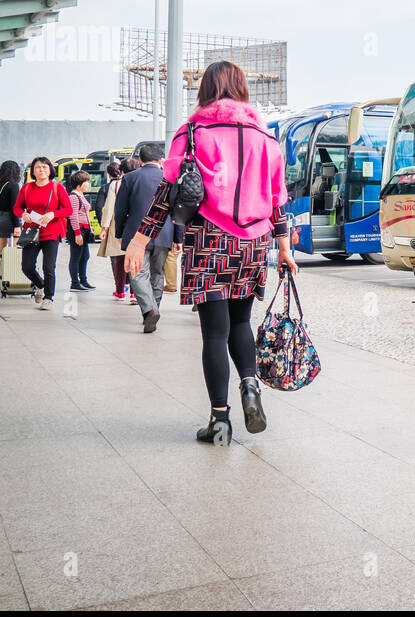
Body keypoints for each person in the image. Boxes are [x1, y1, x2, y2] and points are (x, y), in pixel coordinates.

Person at [125, 60, 294, 445]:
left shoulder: (193, 132)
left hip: (209, 240)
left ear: (205, 89)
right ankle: (250, 386)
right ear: (241, 89)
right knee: (241, 323)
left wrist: (139, 239)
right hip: (253, 243)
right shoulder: (266, 139)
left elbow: (168, 191)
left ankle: (220, 420)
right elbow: (277, 201)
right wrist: (284, 248)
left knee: (214, 334)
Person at [115, 143, 180, 332]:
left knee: (136, 273)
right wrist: (178, 238)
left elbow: (120, 211)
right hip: (164, 233)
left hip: (136, 235)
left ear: (140, 161)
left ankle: (149, 309)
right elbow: (178, 210)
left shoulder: (130, 178)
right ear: (161, 160)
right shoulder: (170, 178)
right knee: (157, 274)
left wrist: (119, 233)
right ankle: (154, 309)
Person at [13, 156, 72, 311]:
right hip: (31, 232)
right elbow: (17, 208)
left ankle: (48, 298)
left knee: (48, 267)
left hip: (51, 231)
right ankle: (40, 285)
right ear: (33, 170)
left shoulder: (57, 187)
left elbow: (68, 209)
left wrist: (53, 214)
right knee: (26, 266)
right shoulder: (26, 188)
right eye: (38, 167)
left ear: (50, 170)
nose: (41, 170)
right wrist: (22, 214)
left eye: (45, 167)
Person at [95, 161, 129, 299]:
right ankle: (134, 294)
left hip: (117, 224)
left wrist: (104, 228)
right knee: (133, 259)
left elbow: (108, 208)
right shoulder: (138, 182)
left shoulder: (115, 185)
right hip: (135, 225)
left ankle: (120, 291)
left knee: (118, 259)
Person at [0, 160, 22, 290]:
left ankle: (0, 281)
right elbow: (15, 207)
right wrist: (17, 225)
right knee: (13, 249)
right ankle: (11, 278)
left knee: (0, 250)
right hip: (10, 218)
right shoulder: (13, 185)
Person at [65, 170, 95, 292]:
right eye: (86, 182)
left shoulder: (81, 195)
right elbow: (73, 216)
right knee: (76, 256)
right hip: (78, 229)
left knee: (84, 256)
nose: (88, 184)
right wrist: (77, 233)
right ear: (80, 183)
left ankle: (83, 280)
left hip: (85, 229)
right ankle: (75, 283)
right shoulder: (73, 197)